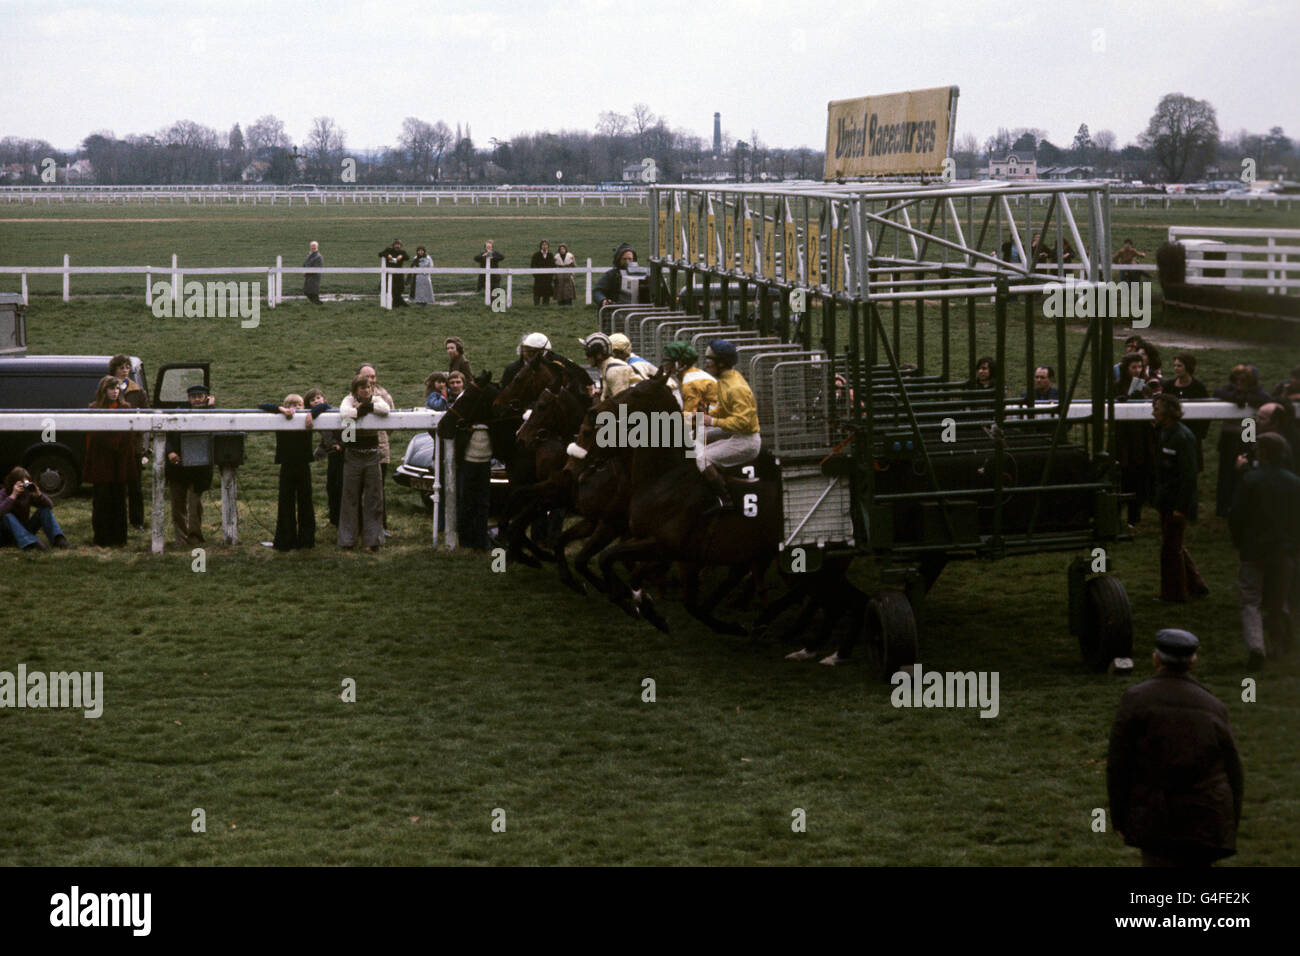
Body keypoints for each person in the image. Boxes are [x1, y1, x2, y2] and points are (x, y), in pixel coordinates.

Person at [1107, 629, 1243, 867]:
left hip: (1156, 817)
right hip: (1205, 818)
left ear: (1156, 659)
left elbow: (1119, 765)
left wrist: (1120, 819)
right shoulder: (1214, 706)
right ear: (1193, 662)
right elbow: (1234, 771)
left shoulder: (1136, 699)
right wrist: (1229, 822)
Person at [1230, 433, 1300, 667]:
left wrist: (1240, 542)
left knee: (1251, 600)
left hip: (1253, 549)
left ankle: (1256, 647)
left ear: (1262, 452)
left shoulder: (1251, 480)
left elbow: (1237, 515)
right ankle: (1280, 644)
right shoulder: (1294, 482)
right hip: (1283, 550)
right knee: (1278, 599)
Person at [1153, 393, 1208, 603]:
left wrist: (1180, 507)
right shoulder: (1165, 432)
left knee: (1170, 549)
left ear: (1168, 412)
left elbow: (1188, 477)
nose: (1153, 412)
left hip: (1177, 502)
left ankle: (1174, 595)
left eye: (1157, 409)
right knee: (1174, 544)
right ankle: (1196, 585)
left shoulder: (1182, 437)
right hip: (1167, 500)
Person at [696, 339, 761, 514]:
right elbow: (725, 410)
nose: (707, 364)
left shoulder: (735, 387)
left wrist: (712, 421)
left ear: (721, 363)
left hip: (746, 442)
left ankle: (725, 501)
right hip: (738, 436)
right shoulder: (725, 379)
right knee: (697, 442)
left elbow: (743, 423)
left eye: (710, 360)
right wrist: (709, 414)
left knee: (701, 458)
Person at [258, 391, 328, 551]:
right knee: (285, 502)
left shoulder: (308, 415)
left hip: (303, 464)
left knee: (306, 502)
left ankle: (306, 540)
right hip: (287, 465)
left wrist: (311, 413)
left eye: (298, 405)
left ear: (304, 406)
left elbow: (326, 405)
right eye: (290, 405)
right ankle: (285, 540)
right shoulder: (280, 416)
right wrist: (281, 410)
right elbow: (261, 406)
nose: (294, 408)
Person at [338, 374, 389, 551]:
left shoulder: (377, 399)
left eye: (368, 387)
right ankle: (347, 540)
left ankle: (373, 540)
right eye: (362, 388)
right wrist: (360, 411)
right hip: (352, 453)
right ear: (355, 390)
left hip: (372, 454)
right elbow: (346, 413)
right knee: (350, 497)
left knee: (374, 497)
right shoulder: (348, 399)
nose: (366, 390)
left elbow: (385, 409)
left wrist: (366, 406)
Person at [1214, 365, 1271, 517]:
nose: (1239, 384)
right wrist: (1236, 397)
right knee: (1225, 470)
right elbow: (1218, 392)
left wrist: (1244, 398)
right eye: (1237, 381)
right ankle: (1223, 507)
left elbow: (1264, 399)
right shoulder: (1231, 390)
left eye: (1243, 382)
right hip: (1229, 433)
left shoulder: (1257, 393)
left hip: (1248, 426)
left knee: (1246, 462)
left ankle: (1242, 503)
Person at [164, 383, 215, 549]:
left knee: (195, 505)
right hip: (178, 466)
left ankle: (195, 537)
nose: (197, 399)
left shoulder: (214, 412)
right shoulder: (178, 412)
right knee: (177, 505)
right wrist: (170, 452)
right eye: (194, 397)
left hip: (199, 468)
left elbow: (215, 425)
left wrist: (211, 407)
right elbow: (168, 435)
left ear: (206, 398)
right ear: (188, 398)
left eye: (200, 396)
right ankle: (181, 538)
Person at [1113, 354, 1155, 530]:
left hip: (1141, 438)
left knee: (1138, 476)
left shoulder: (1146, 388)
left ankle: (1133, 517)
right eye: (1134, 367)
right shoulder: (1116, 387)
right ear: (1126, 369)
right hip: (1123, 437)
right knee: (1121, 476)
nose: (1137, 371)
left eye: (1140, 367)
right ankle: (1114, 515)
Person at [109, 354, 148, 530]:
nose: (125, 371)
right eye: (121, 367)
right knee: (115, 486)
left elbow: (147, 415)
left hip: (133, 446)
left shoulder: (138, 391)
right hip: (113, 445)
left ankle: (137, 521)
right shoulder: (107, 389)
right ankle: (116, 520)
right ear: (114, 369)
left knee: (135, 486)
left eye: (127, 367)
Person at [357, 364, 395, 534]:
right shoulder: (351, 397)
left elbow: (391, 419)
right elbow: (347, 422)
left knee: (378, 490)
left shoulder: (383, 396)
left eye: (373, 376)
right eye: (367, 377)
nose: (371, 380)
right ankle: (358, 526)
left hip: (379, 448)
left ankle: (380, 527)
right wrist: (348, 442)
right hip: (356, 451)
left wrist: (383, 437)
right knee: (357, 490)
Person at [1163, 353, 1210, 479]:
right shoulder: (1168, 385)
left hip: (1192, 433)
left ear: (1188, 367)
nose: (1176, 368)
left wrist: (1201, 433)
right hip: (1171, 433)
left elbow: (1207, 411)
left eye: (1180, 365)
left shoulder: (1198, 387)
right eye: (1175, 366)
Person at [0, 466, 69, 551]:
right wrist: (13, 496)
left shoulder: (27, 494)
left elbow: (50, 506)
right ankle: (32, 543)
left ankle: (58, 539)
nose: (23, 487)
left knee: (44, 510)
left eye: (26, 484)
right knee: (8, 516)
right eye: (21, 484)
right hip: (7, 534)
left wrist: (39, 496)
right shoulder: (3, 493)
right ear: (13, 483)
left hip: (25, 529)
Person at [661, 341, 717, 424]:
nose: (665, 366)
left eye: (668, 362)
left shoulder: (690, 383)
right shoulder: (694, 374)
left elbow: (689, 418)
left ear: (679, 364)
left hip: (716, 424)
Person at [579, 332, 637, 401]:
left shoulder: (614, 371)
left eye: (588, 353)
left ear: (599, 355)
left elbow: (622, 404)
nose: (585, 357)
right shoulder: (607, 368)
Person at [595, 242, 641, 307]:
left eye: (630, 259)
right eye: (624, 259)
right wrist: (603, 300)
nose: (627, 262)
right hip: (614, 309)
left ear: (634, 260)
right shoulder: (611, 275)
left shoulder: (640, 275)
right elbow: (597, 291)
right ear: (618, 260)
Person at [380, 239, 408, 307]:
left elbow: (407, 257)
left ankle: (397, 304)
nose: (397, 246)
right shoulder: (388, 250)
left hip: (399, 275)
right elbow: (380, 254)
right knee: (392, 289)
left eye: (398, 244)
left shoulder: (402, 252)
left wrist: (402, 256)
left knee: (399, 289)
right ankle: (402, 304)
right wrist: (388, 255)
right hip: (389, 274)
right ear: (393, 245)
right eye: (396, 244)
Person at [530, 239, 554, 306]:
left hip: (547, 279)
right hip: (538, 279)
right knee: (537, 293)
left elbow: (553, 266)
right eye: (543, 245)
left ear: (548, 246)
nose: (544, 246)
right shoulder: (536, 255)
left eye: (546, 245)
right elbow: (533, 266)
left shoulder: (550, 255)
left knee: (546, 294)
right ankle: (536, 306)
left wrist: (550, 277)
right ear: (540, 246)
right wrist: (537, 276)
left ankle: (546, 306)